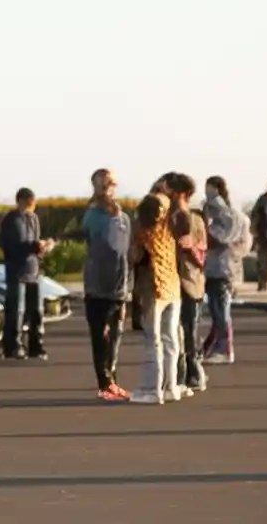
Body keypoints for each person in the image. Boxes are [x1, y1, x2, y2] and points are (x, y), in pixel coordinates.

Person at [81, 169, 132, 402]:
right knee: (102, 337)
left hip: (117, 286)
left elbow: (125, 251)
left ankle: (111, 381)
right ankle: (105, 383)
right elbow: (104, 247)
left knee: (114, 336)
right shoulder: (94, 215)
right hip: (99, 285)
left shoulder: (122, 217)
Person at [129, 193, 183, 405]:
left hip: (153, 288)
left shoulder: (144, 232)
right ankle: (171, 387)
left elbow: (135, 257)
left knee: (154, 341)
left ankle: (153, 389)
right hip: (173, 287)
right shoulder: (169, 228)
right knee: (171, 339)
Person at [0, 187, 54, 360]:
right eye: (28, 203)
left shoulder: (33, 219)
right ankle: (13, 345)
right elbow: (13, 246)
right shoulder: (11, 220)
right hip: (17, 271)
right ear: (20, 202)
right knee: (17, 311)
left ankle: (36, 344)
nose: (31, 207)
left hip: (33, 270)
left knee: (36, 310)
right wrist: (35, 246)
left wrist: (42, 247)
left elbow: (34, 242)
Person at [165, 173, 208, 394]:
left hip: (190, 281)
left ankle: (194, 372)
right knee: (174, 331)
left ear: (181, 192)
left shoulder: (195, 218)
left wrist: (193, 245)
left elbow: (204, 247)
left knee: (190, 329)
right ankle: (179, 374)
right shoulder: (165, 218)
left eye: (169, 189)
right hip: (170, 280)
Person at [203, 175, 248, 364]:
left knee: (221, 310)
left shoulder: (230, 216)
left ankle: (224, 349)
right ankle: (210, 346)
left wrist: (207, 231)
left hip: (224, 268)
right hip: (215, 267)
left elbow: (221, 238)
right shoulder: (225, 216)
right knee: (216, 310)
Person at [251, 182, 267, 292]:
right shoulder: (263, 200)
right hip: (263, 235)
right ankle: (263, 282)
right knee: (263, 260)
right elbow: (255, 215)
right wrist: (254, 231)